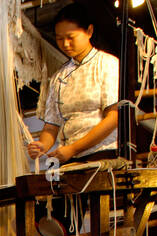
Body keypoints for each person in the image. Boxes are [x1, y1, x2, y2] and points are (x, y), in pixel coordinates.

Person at [28, 3, 122, 166]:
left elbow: (114, 117)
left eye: (70, 37)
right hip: (69, 156)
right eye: (59, 38)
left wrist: (73, 149)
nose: (65, 44)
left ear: (89, 31)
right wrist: (41, 146)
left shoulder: (107, 64)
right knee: (50, 182)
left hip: (102, 154)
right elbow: (51, 126)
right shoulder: (59, 77)